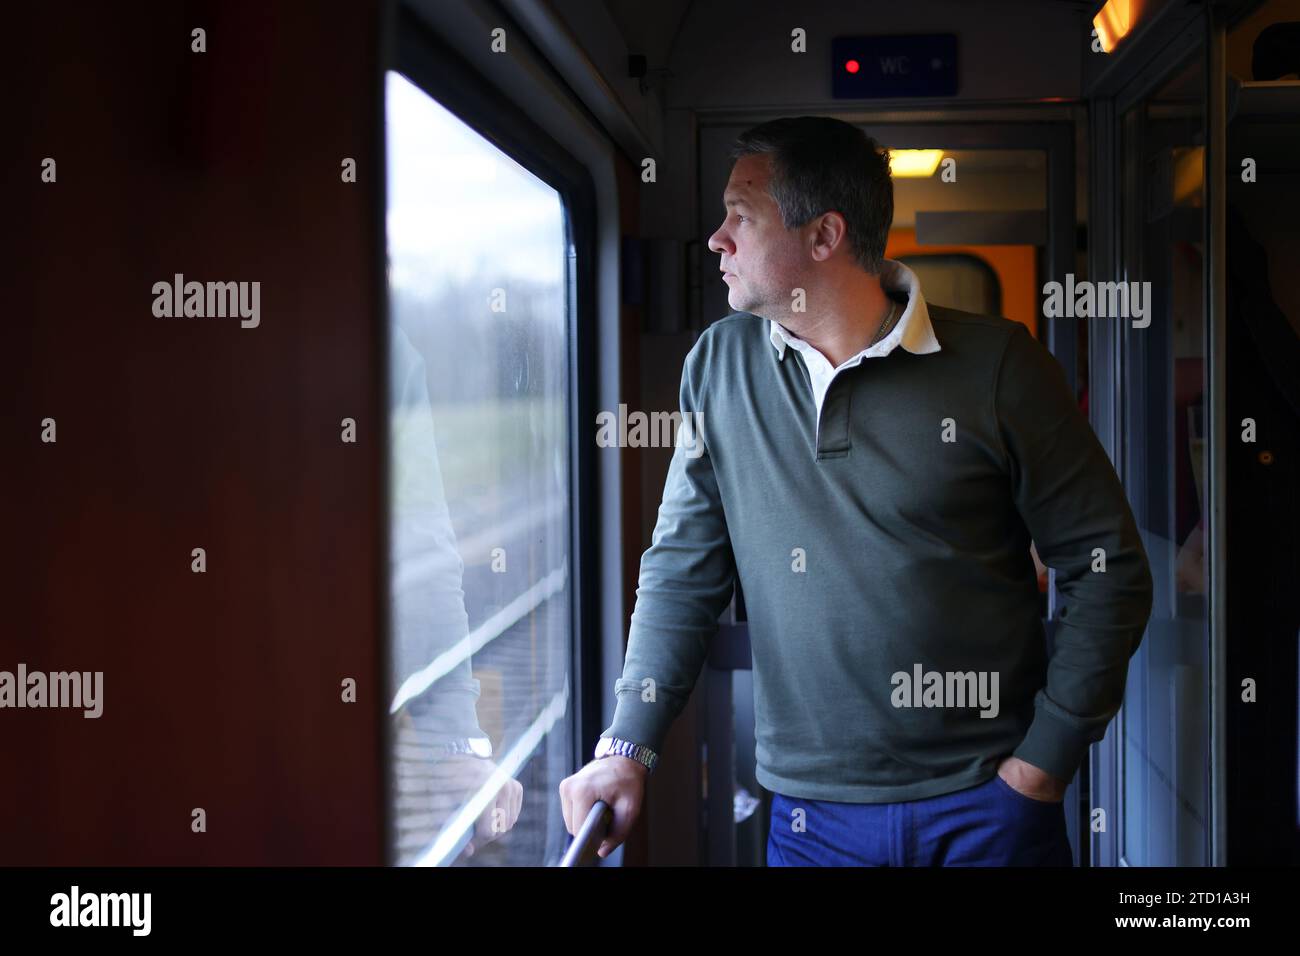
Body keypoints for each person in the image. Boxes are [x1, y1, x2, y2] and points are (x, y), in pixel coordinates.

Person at [559, 116, 1153, 866]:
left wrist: (1043, 765)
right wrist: (625, 745)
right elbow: (682, 570)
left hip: (988, 806)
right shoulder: (719, 366)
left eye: (741, 216)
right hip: (813, 823)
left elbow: (1110, 570)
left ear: (822, 236)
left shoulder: (1000, 367)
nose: (716, 238)